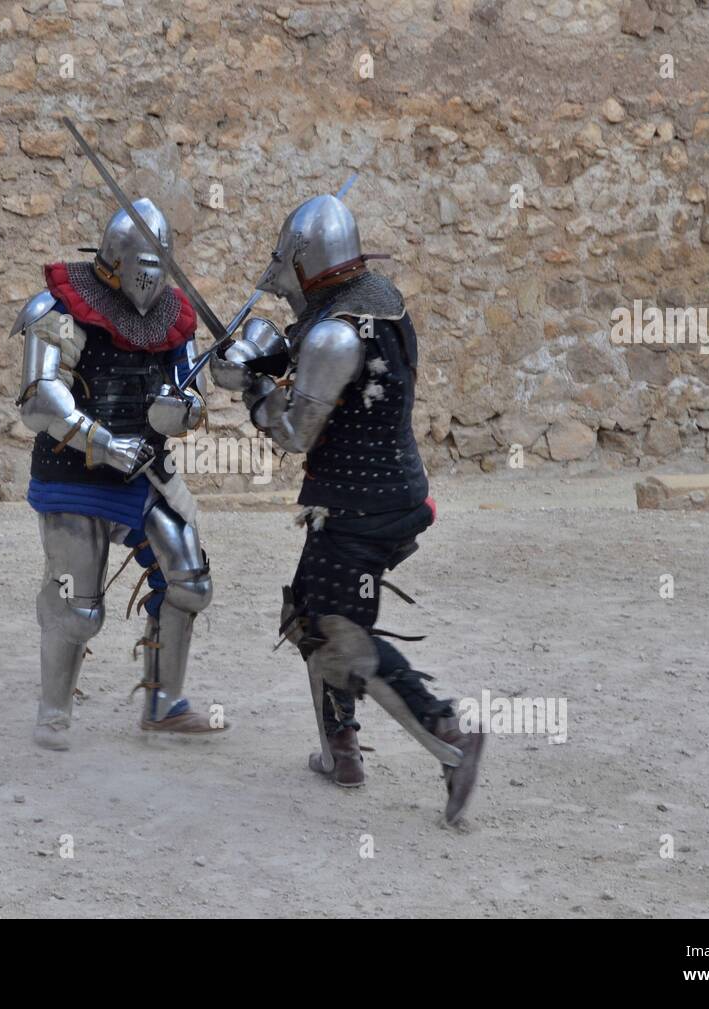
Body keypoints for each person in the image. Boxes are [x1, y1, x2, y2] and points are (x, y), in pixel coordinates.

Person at [211, 193, 484, 822]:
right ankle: (341, 750)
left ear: (307, 262)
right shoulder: (378, 301)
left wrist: (254, 391)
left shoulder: (335, 332)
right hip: (381, 495)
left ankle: (450, 738)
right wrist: (263, 356)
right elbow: (318, 356)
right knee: (306, 611)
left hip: (359, 508)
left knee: (339, 635)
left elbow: (293, 434)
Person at [13, 197, 226, 749]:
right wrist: (103, 442)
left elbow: (193, 394)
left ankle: (164, 704)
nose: (148, 280)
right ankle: (54, 712)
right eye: (141, 266)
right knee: (79, 609)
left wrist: (181, 411)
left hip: (146, 471)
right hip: (74, 472)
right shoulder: (59, 306)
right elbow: (39, 399)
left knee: (190, 581)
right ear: (115, 261)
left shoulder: (172, 318)